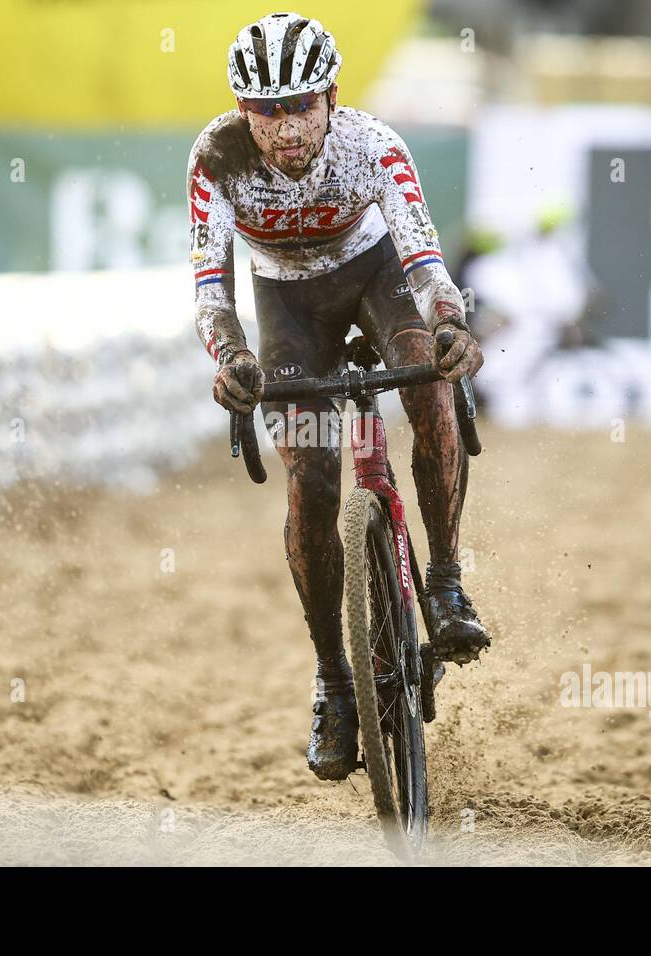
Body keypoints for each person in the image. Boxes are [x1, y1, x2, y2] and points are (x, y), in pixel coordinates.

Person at [187, 12, 487, 781]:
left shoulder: (373, 145)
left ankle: (446, 584)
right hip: (285, 307)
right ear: (240, 111)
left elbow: (424, 261)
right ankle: (333, 677)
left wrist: (449, 323)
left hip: (373, 276)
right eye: (265, 110)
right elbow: (210, 288)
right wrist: (232, 358)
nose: (285, 128)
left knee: (428, 380)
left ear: (332, 97)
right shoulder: (216, 159)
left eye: (300, 106)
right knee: (312, 482)